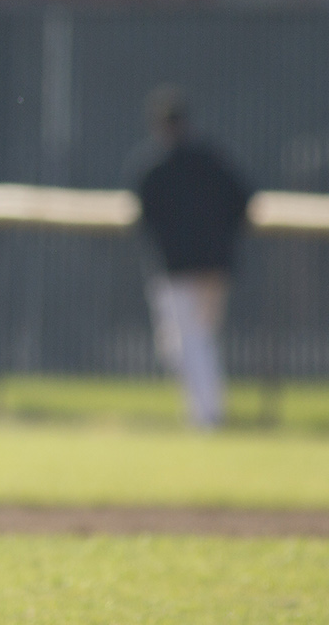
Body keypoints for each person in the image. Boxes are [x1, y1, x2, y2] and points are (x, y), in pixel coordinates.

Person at [132, 85, 252, 429]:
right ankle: (205, 412)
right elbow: (244, 200)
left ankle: (207, 415)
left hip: (179, 270)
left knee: (186, 342)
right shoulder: (212, 161)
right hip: (209, 268)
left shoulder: (156, 168)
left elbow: (144, 217)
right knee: (192, 342)